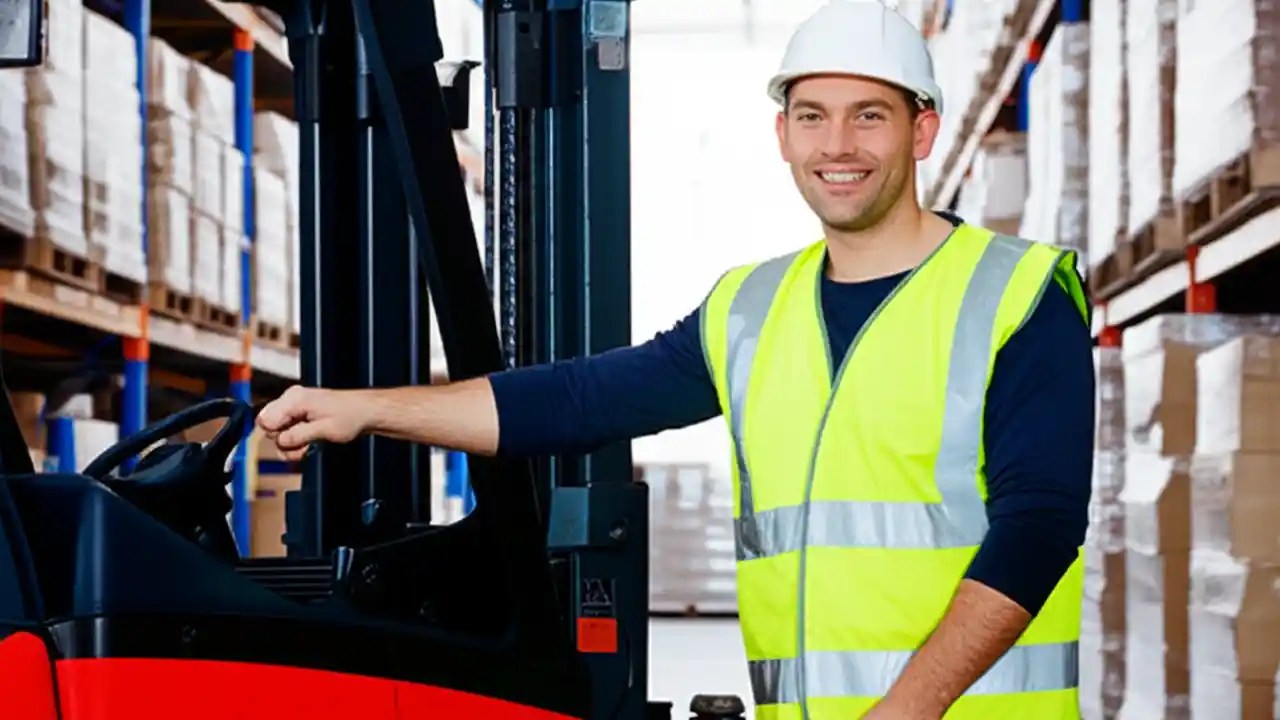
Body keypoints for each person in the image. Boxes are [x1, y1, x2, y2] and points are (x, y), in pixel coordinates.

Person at [258, 1, 1095, 717]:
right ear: (783, 135)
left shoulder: (1018, 294)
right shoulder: (752, 307)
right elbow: (578, 400)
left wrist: (903, 711)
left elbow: (1040, 526)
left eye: (868, 115)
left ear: (923, 130)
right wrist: (364, 409)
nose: (838, 144)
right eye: (812, 116)